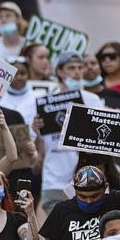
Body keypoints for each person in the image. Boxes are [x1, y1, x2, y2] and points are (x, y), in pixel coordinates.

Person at [36, 51, 104, 215]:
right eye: (71, 68)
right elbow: (40, 150)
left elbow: (102, 140)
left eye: (80, 67)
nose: (77, 72)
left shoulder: (93, 100)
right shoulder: (46, 102)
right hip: (54, 181)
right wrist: (36, 130)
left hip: (86, 179)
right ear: (60, 71)